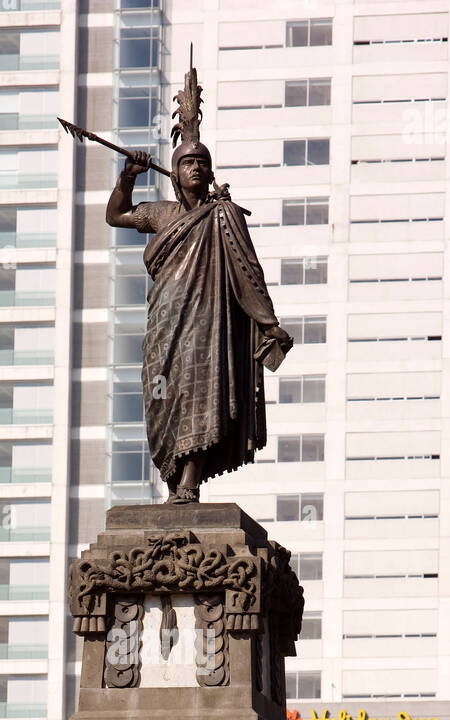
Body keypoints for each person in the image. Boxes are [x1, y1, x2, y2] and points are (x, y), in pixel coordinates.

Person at [105, 70, 293, 503]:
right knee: (162, 394)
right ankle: (173, 481)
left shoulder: (224, 216)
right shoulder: (159, 214)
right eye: (188, 162)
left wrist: (268, 323)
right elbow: (116, 216)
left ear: (210, 173)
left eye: (202, 162)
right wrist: (128, 177)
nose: (197, 167)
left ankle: (189, 483)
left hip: (206, 321)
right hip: (164, 325)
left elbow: (248, 269)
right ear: (174, 173)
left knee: (199, 391)